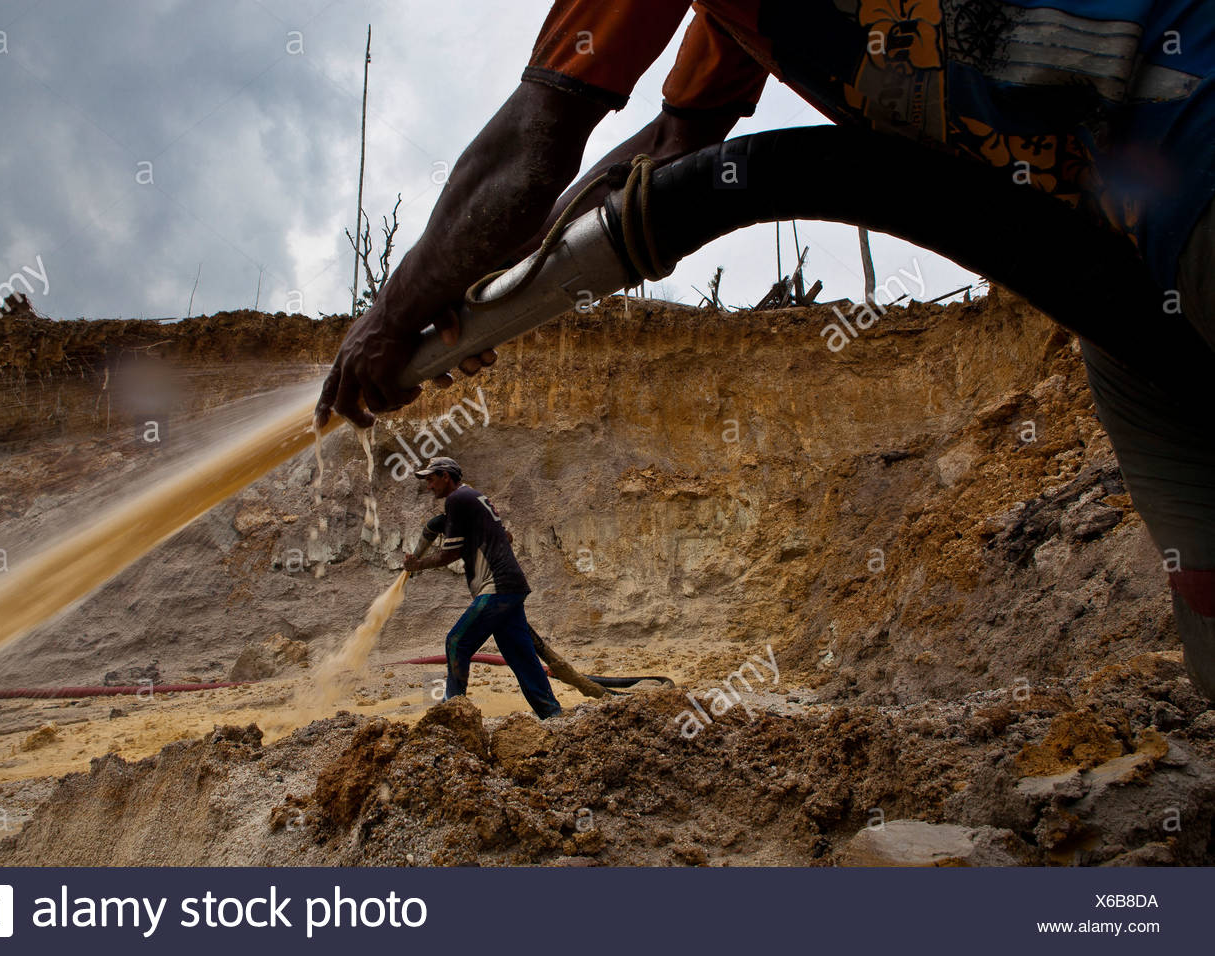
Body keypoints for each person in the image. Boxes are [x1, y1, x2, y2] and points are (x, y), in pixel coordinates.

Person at [318, 1, 1215, 699]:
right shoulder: (736, 26)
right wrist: (487, 300)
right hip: (1113, 258)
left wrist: (391, 318)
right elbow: (670, 149)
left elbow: (534, 138)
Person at [403, 456, 562, 719]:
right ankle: (553, 714)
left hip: (497, 588)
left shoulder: (457, 500)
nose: (428, 486)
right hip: (511, 587)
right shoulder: (473, 501)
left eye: (431, 479)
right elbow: (506, 536)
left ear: (446, 476)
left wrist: (417, 565)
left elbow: (448, 555)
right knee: (521, 657)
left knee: (457, 642)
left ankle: (452, 712)